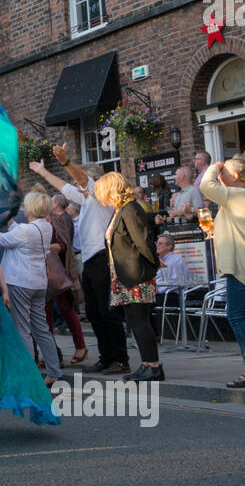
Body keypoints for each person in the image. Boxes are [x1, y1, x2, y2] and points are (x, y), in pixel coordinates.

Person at [30, 147, 129, 375]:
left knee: (107, 312)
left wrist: (66, 162)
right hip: (91, 261)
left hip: (102, 259)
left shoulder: (99, 198)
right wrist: (44, 173)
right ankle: (106, 357)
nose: (78, 186)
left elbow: (81, 178)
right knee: (94, 312)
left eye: (82, 183)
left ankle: (120, 358)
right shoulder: (86, 201)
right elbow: (64, 187)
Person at [200, 156, 245, 387]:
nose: (221, 176)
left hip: (240, 262)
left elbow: (204, 185)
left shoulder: (236, 194)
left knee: (237, 316)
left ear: (236, 176)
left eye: (225, 173)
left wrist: (215, 166)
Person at [93, 173, 162, 381]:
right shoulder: (120, 210)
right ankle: (147, 363)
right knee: (134, 321)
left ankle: (154, 366)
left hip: (136, 274)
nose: (99, 195)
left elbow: (142, 241)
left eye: (100, 191)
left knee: (140, 321)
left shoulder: (131, 209)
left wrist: (155, 264)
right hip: (125, 275)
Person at [0, 192, 63, 386]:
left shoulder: (25, 231)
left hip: (20, 282)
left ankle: (28, 374)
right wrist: (10, 222)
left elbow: (0, 240)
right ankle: (53, 371)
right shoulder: (45, 227)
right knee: (41, 329)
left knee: (22, 329)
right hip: (39, 283)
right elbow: (20, 232)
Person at [45, 193, 87, 364]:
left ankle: (80, 346)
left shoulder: (57, 220)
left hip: (58, 272)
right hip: (42, 274)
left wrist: (45, 246)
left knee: (66, 309)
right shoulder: (33, 223)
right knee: (45, 315)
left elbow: (63, 245)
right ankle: (53, 354)